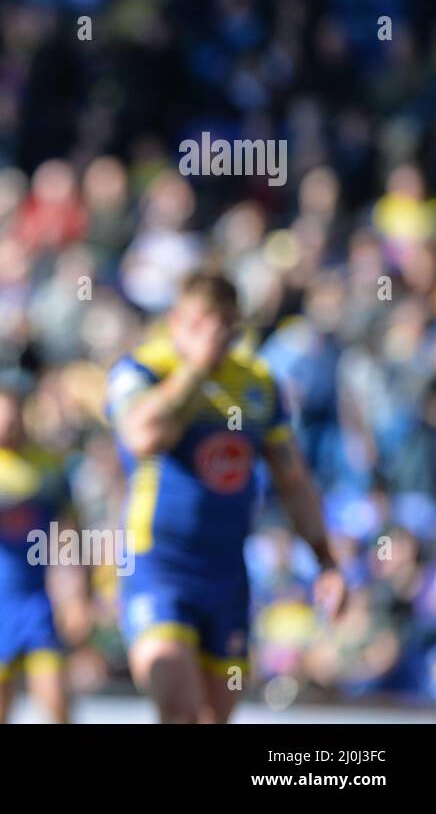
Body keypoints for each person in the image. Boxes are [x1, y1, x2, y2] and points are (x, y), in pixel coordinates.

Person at [106, 270, 346, 723]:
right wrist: (197, 369)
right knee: (178, 712)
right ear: (176, 321)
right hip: (158, 565)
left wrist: (326, 561)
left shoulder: (258, 383)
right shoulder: (143, 369)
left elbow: (293, 480)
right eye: (199, 324)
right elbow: (142, 435)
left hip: (227, 569)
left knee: (216, 717)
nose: (212, 337)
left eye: (223, 327)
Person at [0, 384, 71, 723]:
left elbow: (67, 528)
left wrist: (75, 592)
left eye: (10, 417)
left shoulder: (47, 466)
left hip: (37, 599)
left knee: (58, 702)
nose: (5, 425)